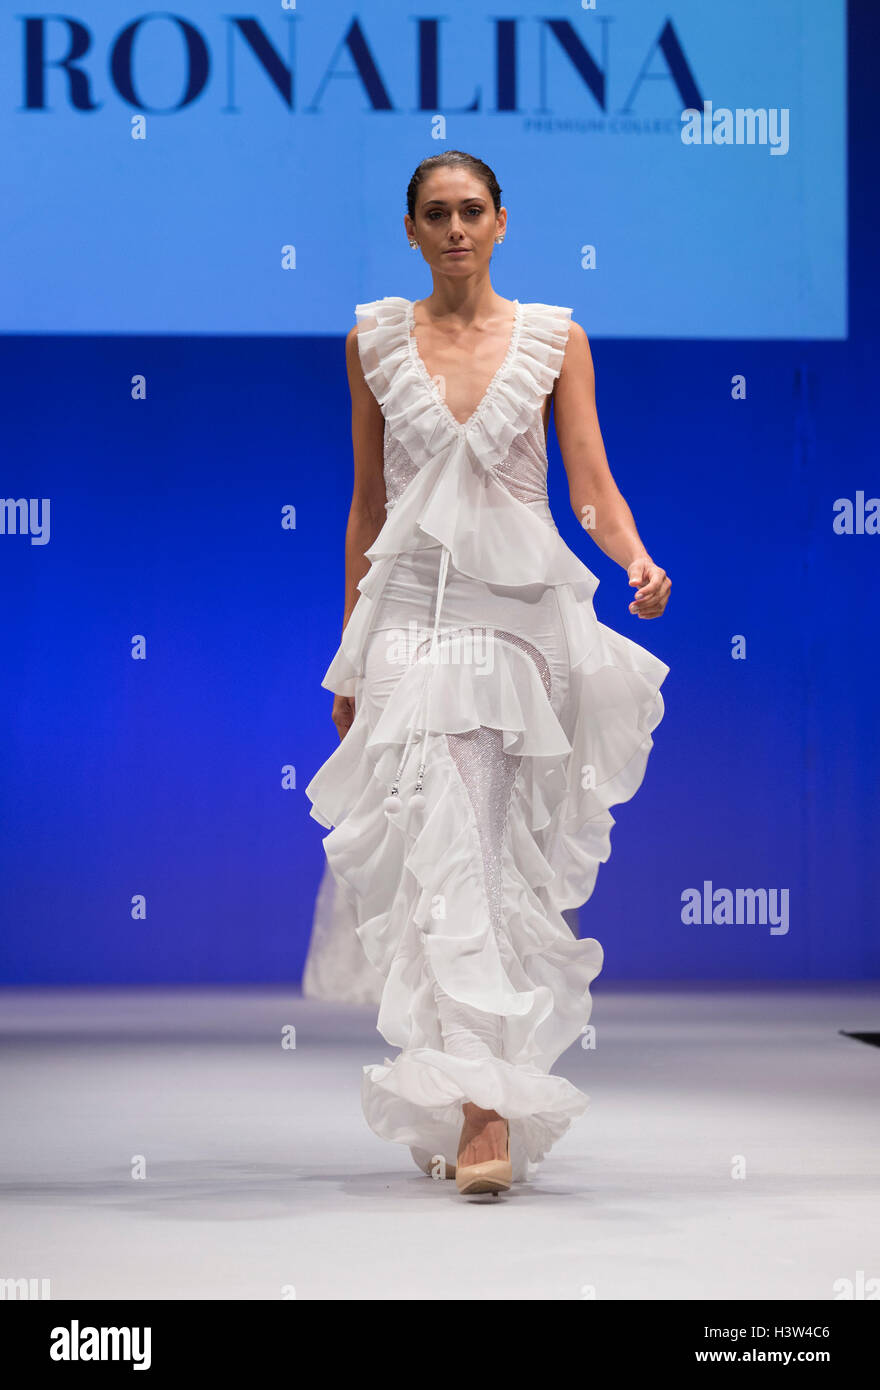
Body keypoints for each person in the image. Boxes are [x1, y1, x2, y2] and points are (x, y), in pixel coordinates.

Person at [304, 151, 671, 1197]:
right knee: (440, 851)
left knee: (489, 857)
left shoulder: (555, 339)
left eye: (472, 211)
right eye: (436, 213)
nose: (456, 227)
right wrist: (351, 655)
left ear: (501, 223)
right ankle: (475, 1108)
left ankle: (480, 1097)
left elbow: (590, 484)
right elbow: (369, 506)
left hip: (517, 627)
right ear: (411, 231)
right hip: (413, 621)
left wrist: (633, 561)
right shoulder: (372, 341)